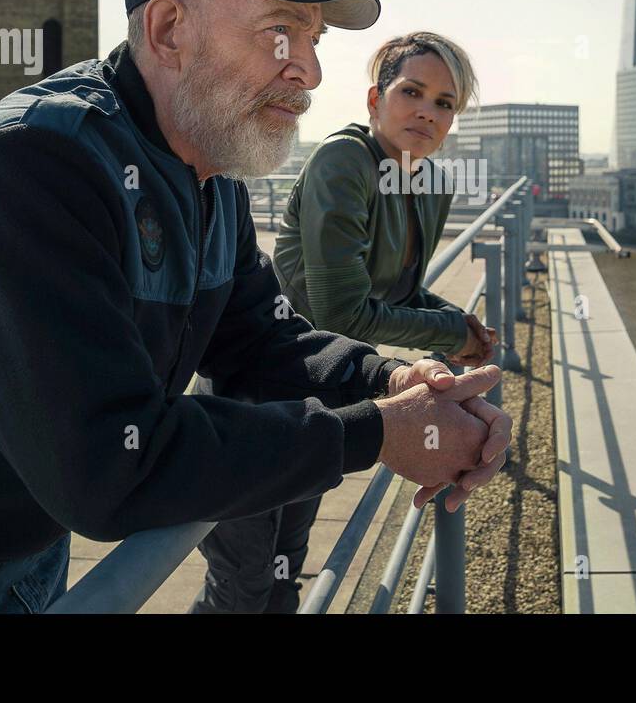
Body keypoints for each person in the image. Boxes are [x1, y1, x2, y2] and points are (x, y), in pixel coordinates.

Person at [0, 0, 510, 614]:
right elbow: (108, 465)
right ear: (168, 30)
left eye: (315, 38)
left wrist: (396, 377)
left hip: (27, 552)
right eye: (281, 31)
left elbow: (261, 336)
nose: (310, 71)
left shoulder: (208, 169)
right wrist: (380, 431)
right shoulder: (31, 164)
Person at [190, 31, 501, 614]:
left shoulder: (427, 182)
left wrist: (461, 324)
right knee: (241, 583)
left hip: (332, 394)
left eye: (444, 103)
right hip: (260, 388)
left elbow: (399, 291)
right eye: (412, 91)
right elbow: (340, 311)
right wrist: (448, 334)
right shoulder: (343, 161)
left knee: (286, 567)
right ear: (374, 99)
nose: (426, 112)